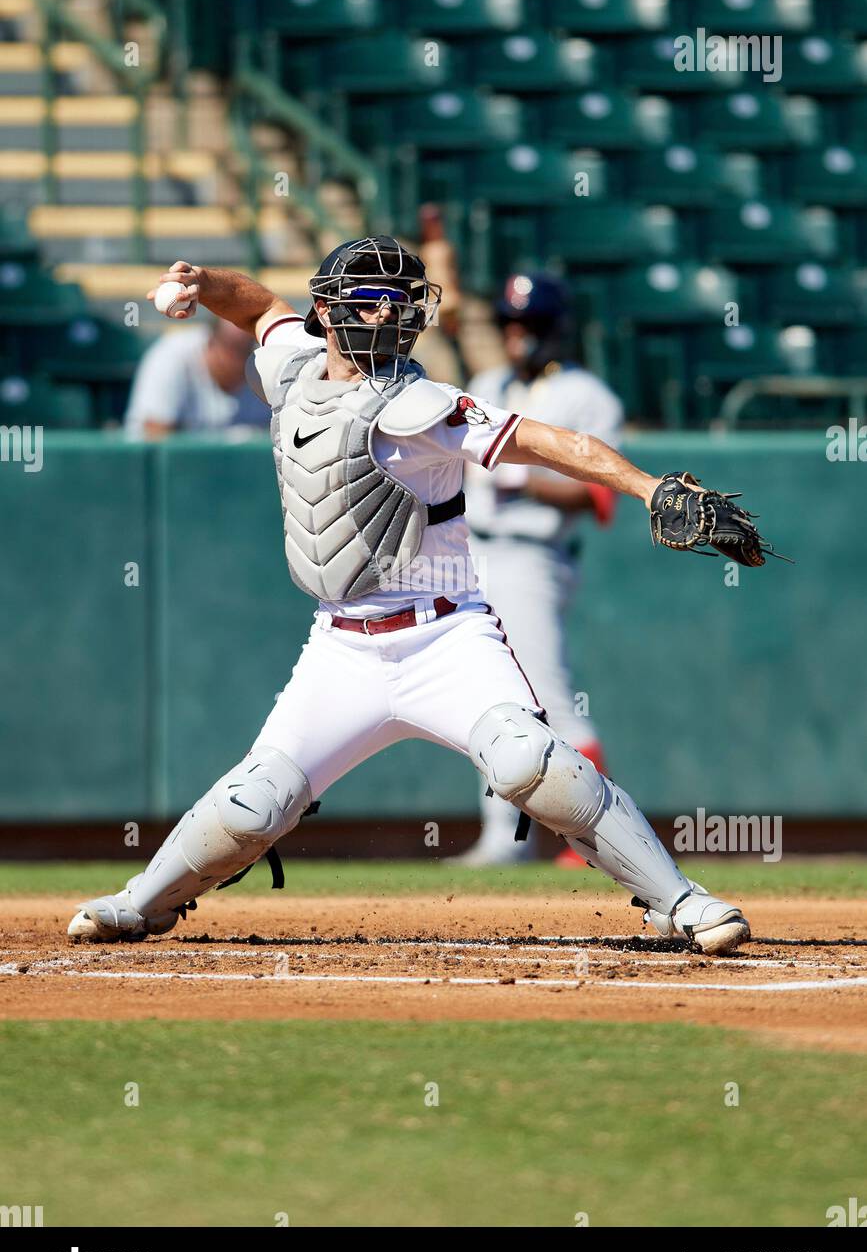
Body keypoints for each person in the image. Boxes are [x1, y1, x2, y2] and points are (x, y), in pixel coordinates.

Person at [68, 236, 751, 957]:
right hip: (339, 646)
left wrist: (646, 487)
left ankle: (680, 901)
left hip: (447, 637)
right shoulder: (290, 364)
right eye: (369, 299)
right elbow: (259, 305)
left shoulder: (421, 404)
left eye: (399, 300)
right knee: (253, 805)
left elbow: (548, 441)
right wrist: (201, 282)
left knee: (527, 763)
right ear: (326, 313)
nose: (387, 314)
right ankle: (138, 902)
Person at [455, 272, 623, 866]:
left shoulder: (588, 395)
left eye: (532, 325)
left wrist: (526, 477)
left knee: (549, 695)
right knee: (484, 699)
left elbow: (597, 496)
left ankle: (602, 837)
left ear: (556, 330)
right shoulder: (486, 383)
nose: (519, 335)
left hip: (532, 556)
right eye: (511, 323)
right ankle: (504, 838)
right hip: (471, 554)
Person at [124, 316, 269, 439]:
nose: (240, 359)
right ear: (211, 343)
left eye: (247, 348)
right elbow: (154, 435)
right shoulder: (173, 356)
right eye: (234, 348)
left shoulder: (263, 365)